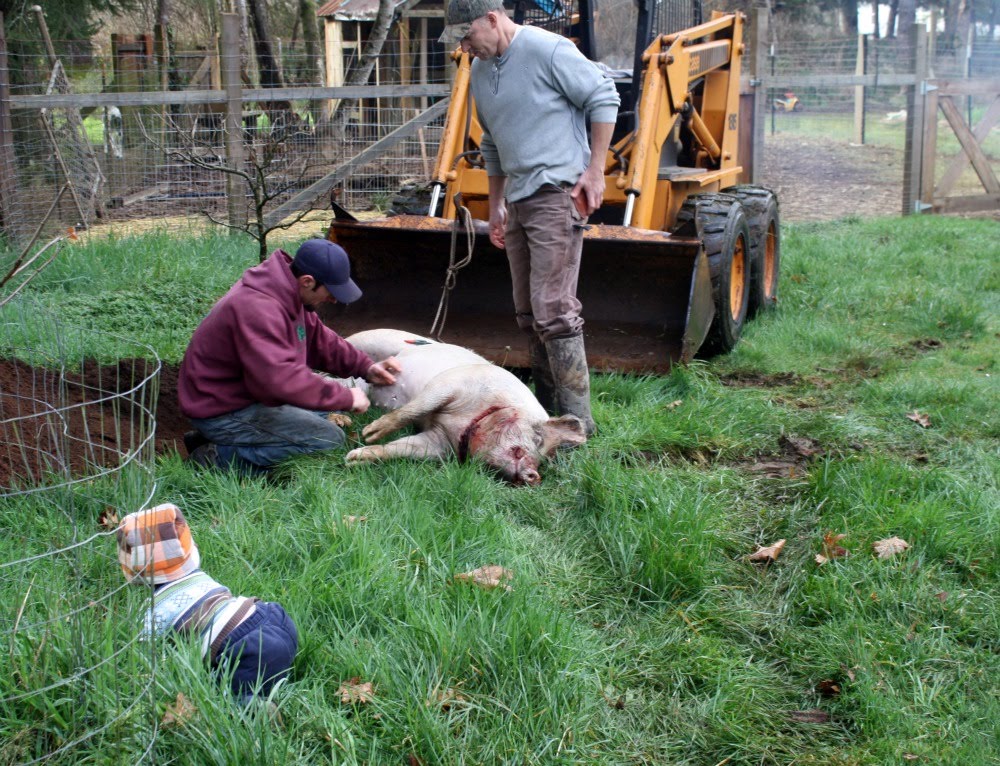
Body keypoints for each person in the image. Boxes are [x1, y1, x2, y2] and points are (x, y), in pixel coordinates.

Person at [439, 0, 619, 435]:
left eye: (467, 36)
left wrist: (595, 172)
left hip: (557, 192)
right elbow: (494, 147)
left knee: (554, 310)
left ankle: (578, 427)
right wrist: (497, 206)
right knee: (528, 313)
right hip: (518, 200)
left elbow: (603, 96)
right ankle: (546, 415)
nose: (464, 47)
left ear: (493, 19)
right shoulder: (481, 73)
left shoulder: (548, 50)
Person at [178, 239, 400, 473]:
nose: (333, 300)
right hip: (220, 408)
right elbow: (281, 381)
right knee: (327, 439)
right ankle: (216, 459)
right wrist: (346, 397)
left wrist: (365, 368)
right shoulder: (259, 309)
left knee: (323, 408)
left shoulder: (288, 294)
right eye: (331, 292)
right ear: (308, 281)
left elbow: (321, 341)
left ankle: (210, 440)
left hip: (242, 394)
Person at [117, 503, 298, 703]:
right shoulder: (201, 579)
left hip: (241, 648)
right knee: (270, 663)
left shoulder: (154, 611)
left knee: (225, 692)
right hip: (272, 616)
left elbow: (148, 654)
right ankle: (279, 668)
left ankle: (249, 706)